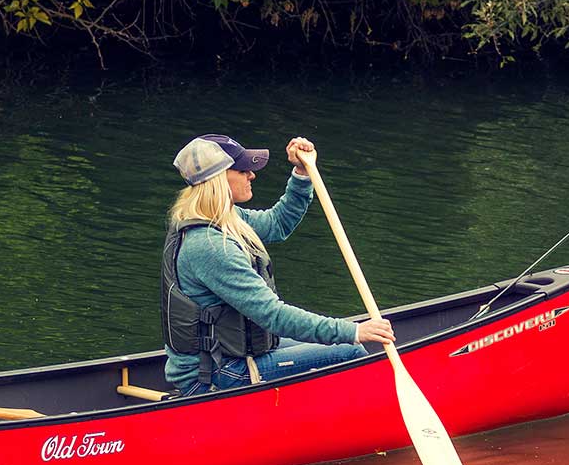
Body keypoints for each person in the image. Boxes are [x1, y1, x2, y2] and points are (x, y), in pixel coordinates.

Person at [160, 134, 398, 396]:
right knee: (349, 350)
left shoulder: (222, 217)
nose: (252, 175)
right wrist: (354, 331)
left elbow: (277, 224)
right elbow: (273, 315)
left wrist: (302, 174)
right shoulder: (210, 246)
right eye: (243, 170)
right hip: (217, 373)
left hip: (230, 354)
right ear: (218, 179)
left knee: (341, 340)